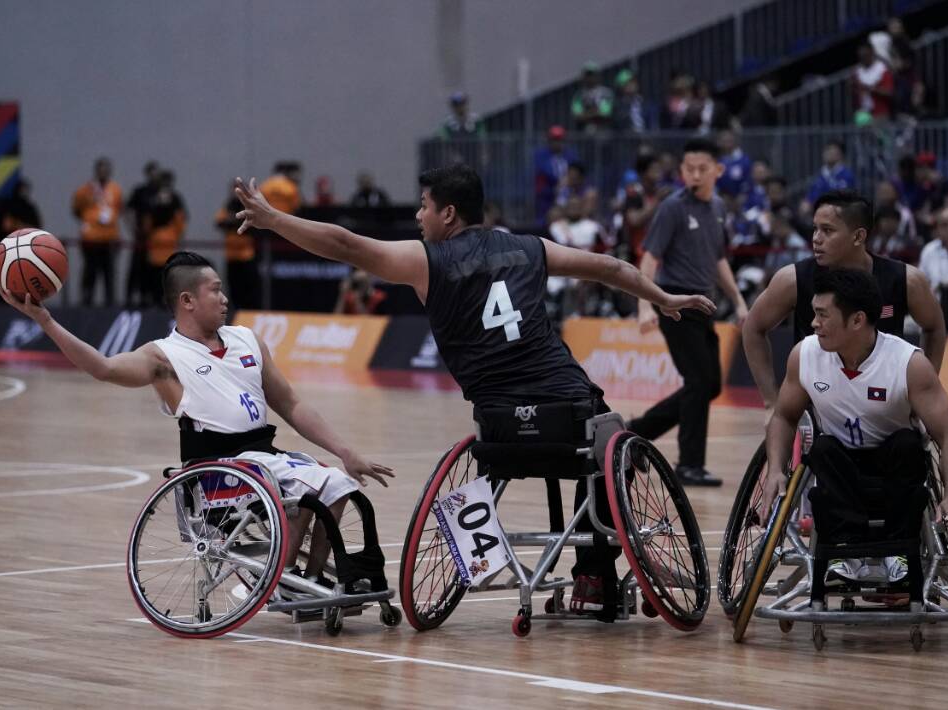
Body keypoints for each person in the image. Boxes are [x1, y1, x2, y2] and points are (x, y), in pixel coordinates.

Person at [232, 162, 715, 620]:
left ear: (448, 213)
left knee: (501, 458)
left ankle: (479, 560)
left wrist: (275, 221)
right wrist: (663, 298)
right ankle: (593, 574)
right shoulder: (532, 248)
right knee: (614, 450)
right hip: (570, 416)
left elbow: (346, 244)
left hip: (499, 431)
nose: (419, 216)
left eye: (424, 206)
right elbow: (609, 267)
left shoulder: (428, 262)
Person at [0, 251, 392, 583]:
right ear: (187, 301)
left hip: (262, 458)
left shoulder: (246, 339)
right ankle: (281, 580)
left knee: (337, 483)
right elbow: (103, 368)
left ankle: (307, 583)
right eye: (215, 290)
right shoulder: (163, 356)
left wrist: (345, 450)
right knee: (305, 484)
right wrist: (45, 321)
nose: (224, 298)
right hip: (216, 472)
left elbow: (292, 404)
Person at [760, 268, 948, 585]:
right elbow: (784, 416)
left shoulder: (908, 363)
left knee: (907, 443)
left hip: (896, 464)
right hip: (838, 466)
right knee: (822, 448)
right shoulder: (804, 356)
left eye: (822, 315)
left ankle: (898, 552)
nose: (813, 323)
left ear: (857, 320)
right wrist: (776, 468)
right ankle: (845, 551)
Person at [742, 190, 947, 409]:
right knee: (776, 443)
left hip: (884, 407)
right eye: (815, 229)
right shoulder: (792, 279)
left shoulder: (906, 280)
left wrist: (924, 391)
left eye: (827, 230)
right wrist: (771, 400)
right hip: (816, 408)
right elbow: (753, 327)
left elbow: (934, 327)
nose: (816, 238)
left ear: (859, 236)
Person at [626, 138, 750, 487]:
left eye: (702, 168)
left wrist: (739, 301)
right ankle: (689, 465)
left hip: (703, 305)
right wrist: (644, 303)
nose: (694, 175)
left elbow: (719, 259)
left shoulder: (719, 208)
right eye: (688, 168)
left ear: (718, 171)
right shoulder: (673, 207)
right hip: (674, 302)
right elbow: (649, 258)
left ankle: (637, 432)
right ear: (681, 171)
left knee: (709, 384)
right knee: (698, 382)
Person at [72, 157, 122, 307]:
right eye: (101, 169)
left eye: (106, 169)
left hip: (109, 237)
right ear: (96, 171)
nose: (103, 172)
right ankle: (86, 301)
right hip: (91, 238)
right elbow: (76, 209)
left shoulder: (115, 189)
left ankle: (110, 303)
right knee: (90, 271)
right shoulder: (85, 189)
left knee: (109, 272)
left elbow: (118, 209)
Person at [143, 171, 187, 306]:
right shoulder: (152, 199)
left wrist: (176, 235)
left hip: (169, 244)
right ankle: (155, 301)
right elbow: (147, 223)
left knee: (169, 277)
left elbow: (180, 221)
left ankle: (167, 303)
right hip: (156, 245)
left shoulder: (176, 199)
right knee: (155, 278)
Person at [216, 180, 260, 310]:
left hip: (246, 255)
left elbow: (253, 225)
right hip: (231, 256)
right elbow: (219, 222)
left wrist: (232, 221)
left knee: (249, 290)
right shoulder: (229, 205)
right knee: (233, 289)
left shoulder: (248, 205)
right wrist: (235, 221)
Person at [126, 161, 161, 306]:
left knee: (155, 269)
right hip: (141, 238)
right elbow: (128, 210)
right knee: (136, 267)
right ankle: (135, 297)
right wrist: (133, 228)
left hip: (157, 240)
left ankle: (155, 298)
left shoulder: (162, 193)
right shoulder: (140, 191)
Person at [534, 125, 577, 223]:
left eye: (560, 140)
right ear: (549, 140)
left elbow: (577, 172)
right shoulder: (541, 156)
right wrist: (557, 185)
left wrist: (567, 182)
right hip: (548, 194)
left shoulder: (571, 155)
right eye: (554, 140)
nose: (557, 143)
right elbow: (542, 173)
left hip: (569, 192)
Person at [804, 141, 855, 213]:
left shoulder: (847, 175)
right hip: (818, 212)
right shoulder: (820, 175)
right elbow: (810, 196)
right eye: (826, 150)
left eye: (832, 151)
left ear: (840, 155)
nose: (828, 154)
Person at [852, 42, 894, 122]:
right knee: (861, 133)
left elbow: (889, 92)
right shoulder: (857, 71)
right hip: (862, 114)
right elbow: (854, 93)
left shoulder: (882, 70)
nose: (863, 59)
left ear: (871, 53)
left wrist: (871, 89)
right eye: (861, 56)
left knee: (881, 133)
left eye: (865, 55)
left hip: (880, 113)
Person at [570, 62, 614, 133]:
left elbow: (605, 113)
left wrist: (586, 114)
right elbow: (577, 115)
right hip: (584, 132)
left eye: (592, 75)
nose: (590, 78)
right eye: (588, 75)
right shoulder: (579, 95)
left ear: (597, 76)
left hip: (603, 131)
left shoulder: (605, 93)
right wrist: (595, 112)